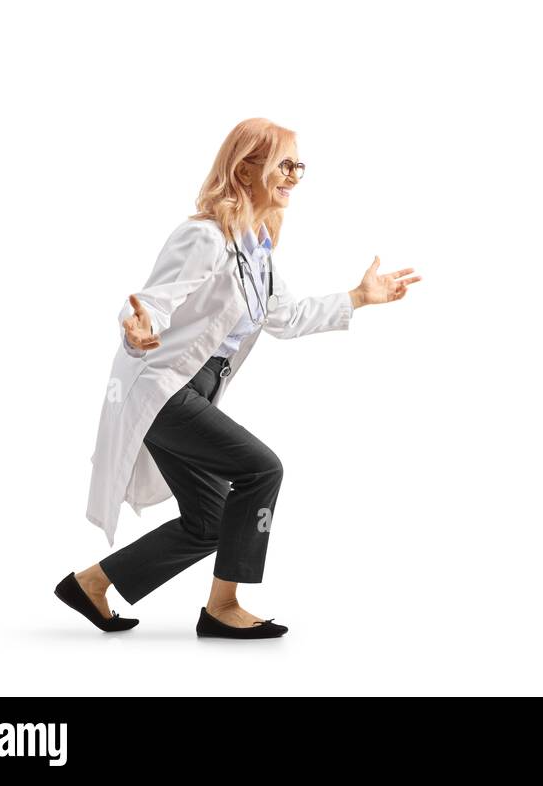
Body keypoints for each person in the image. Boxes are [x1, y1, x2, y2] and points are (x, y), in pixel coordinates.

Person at [54, 117, 422, 639]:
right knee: (261, 470)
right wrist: (137, 330)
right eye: (283, 164)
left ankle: (90, 584)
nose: (294, 176)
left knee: (209, 519)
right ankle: (223, 607)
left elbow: (285, 319)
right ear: (245, 167)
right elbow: (153, 303)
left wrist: (359, 297)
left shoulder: (259, 251)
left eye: (300, 166)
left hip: (199, 389)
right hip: (162, 387)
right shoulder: (203, 237)